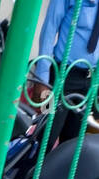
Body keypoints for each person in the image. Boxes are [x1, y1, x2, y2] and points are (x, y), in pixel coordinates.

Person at [35, 0, 99, 147]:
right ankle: (30, 170)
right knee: (43, 138)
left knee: (72, 145)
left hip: (90, 81)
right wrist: (42, 79)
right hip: (59, 76)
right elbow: (49, 30)